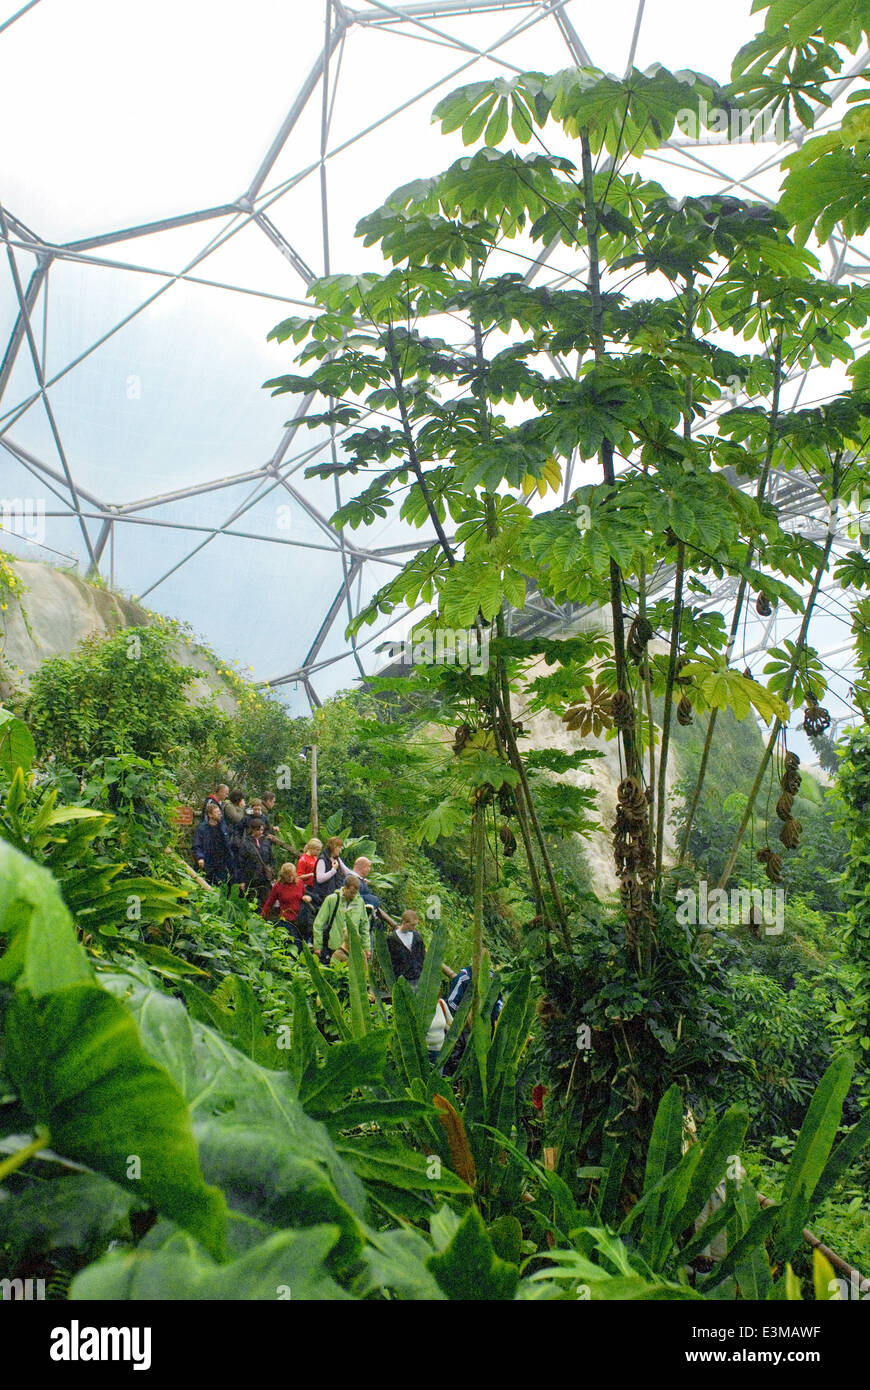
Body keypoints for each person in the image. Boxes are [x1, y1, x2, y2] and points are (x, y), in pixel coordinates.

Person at [313, 875, 369, 964]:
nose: (353, 895)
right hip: (333, 947)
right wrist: (317, 946)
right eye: (351, 892)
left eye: (356, 893)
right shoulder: (332, 899)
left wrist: (366, 948)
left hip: (352, 950)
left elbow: (364, 926)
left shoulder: (359, 902)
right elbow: (318, 923)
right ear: (345, 888)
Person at [261, 863, 311, 948]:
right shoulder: (278, 886)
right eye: (288, 876)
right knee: (293, 945)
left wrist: (307, 898)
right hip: (286, 920)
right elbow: (269, 903)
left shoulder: (299, 883)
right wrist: (261, 917)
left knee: (302, 945)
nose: (290, 878)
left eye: (292, 875)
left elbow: (304, 895)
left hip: (299, 919)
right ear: (283, 875)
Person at [192, 802, 234, 885]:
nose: (219, 814)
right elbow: (197, 845)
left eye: (219, 812)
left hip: (221, 864)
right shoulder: (201, 829)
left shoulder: (223, 827)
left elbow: (227, 845)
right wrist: (200, 858)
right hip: (207, 863)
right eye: (216, 812)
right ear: (210, 815)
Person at [237, 816, 274, 907]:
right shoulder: (246, 843)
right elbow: (240, 863)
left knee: (265, 901)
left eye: (262, 830)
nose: (261, 832)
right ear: (253, 830)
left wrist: (273, 875)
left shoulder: (266, 841)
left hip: (264, 877)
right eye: (259, 830)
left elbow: (272, 859)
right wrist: (242, 881)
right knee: (252, 901)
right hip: (251, 877)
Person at [385, 909, 426, 987]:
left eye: (415, 925)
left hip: (418, 977)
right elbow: (389, 960)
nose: (414, 927)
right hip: (402, 979)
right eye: (412, 925)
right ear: (404, 922)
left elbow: (422, 956)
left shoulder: (417, 937)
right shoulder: (392, 939)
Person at [310, 836, 350, 908]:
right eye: (339, 848)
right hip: (323, 895)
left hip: (335, 893)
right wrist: (333, 870)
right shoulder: (322, 860)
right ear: (333, 847)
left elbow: (347, 872)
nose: (340, 851)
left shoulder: (337, 859)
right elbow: (319, 879)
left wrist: (359, 878)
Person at [427, 996, 453, 1067]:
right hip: (423, 1053)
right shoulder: (417, 1004)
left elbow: (452, 1025)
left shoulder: (440, 1003)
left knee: (438, 1076)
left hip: (440, 1052)